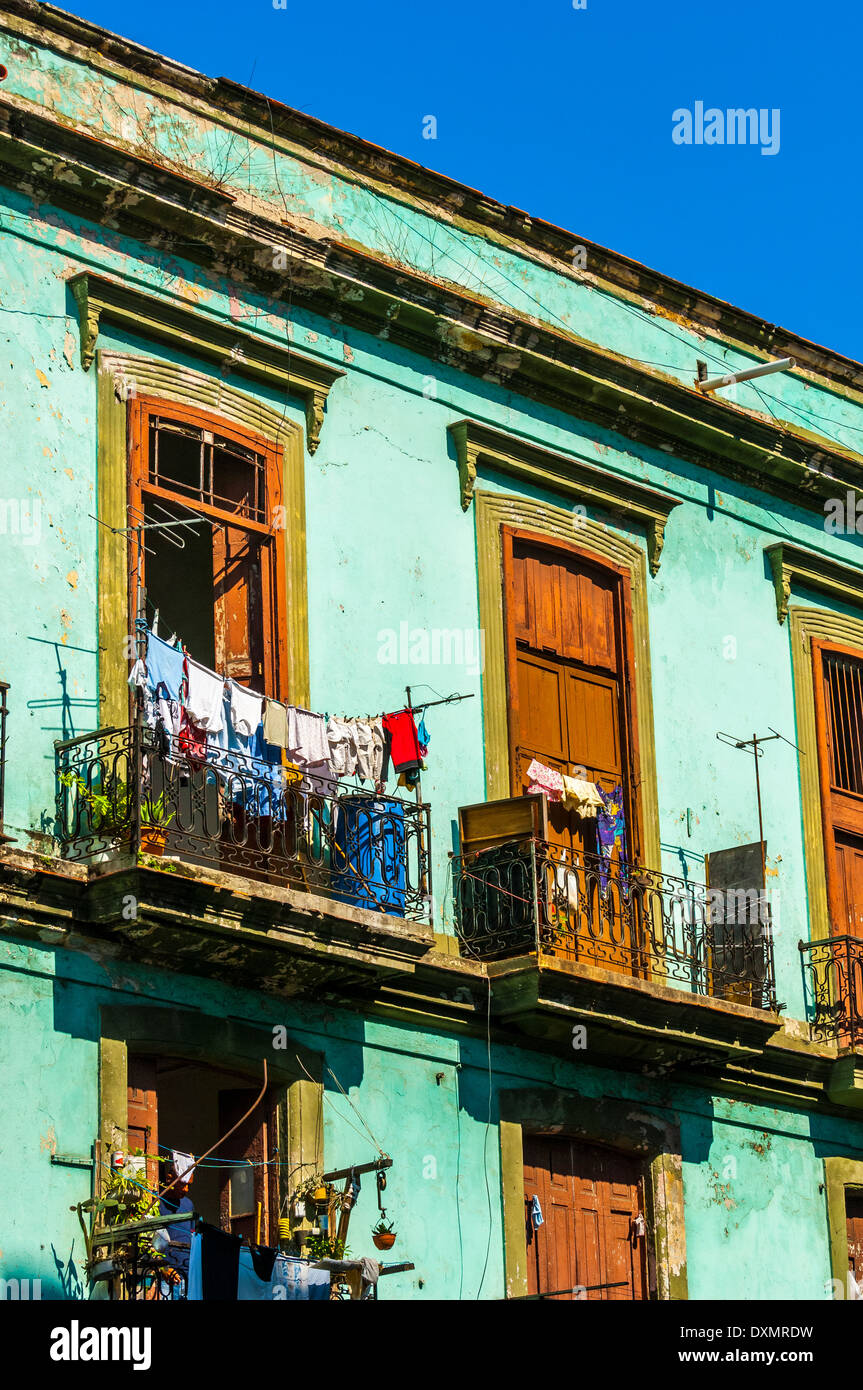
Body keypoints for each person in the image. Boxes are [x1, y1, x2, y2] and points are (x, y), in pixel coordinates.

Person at [152, 1151, 196, 1295]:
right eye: (183, 1184)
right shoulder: (157, 1203)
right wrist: (163, 1268)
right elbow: (150, 1241)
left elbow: (192, 1236)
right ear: (170, 1178)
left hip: (188, 1274)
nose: (186, 1190)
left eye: (189, 1185)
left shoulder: (188, 1205)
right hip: (167, 1278)